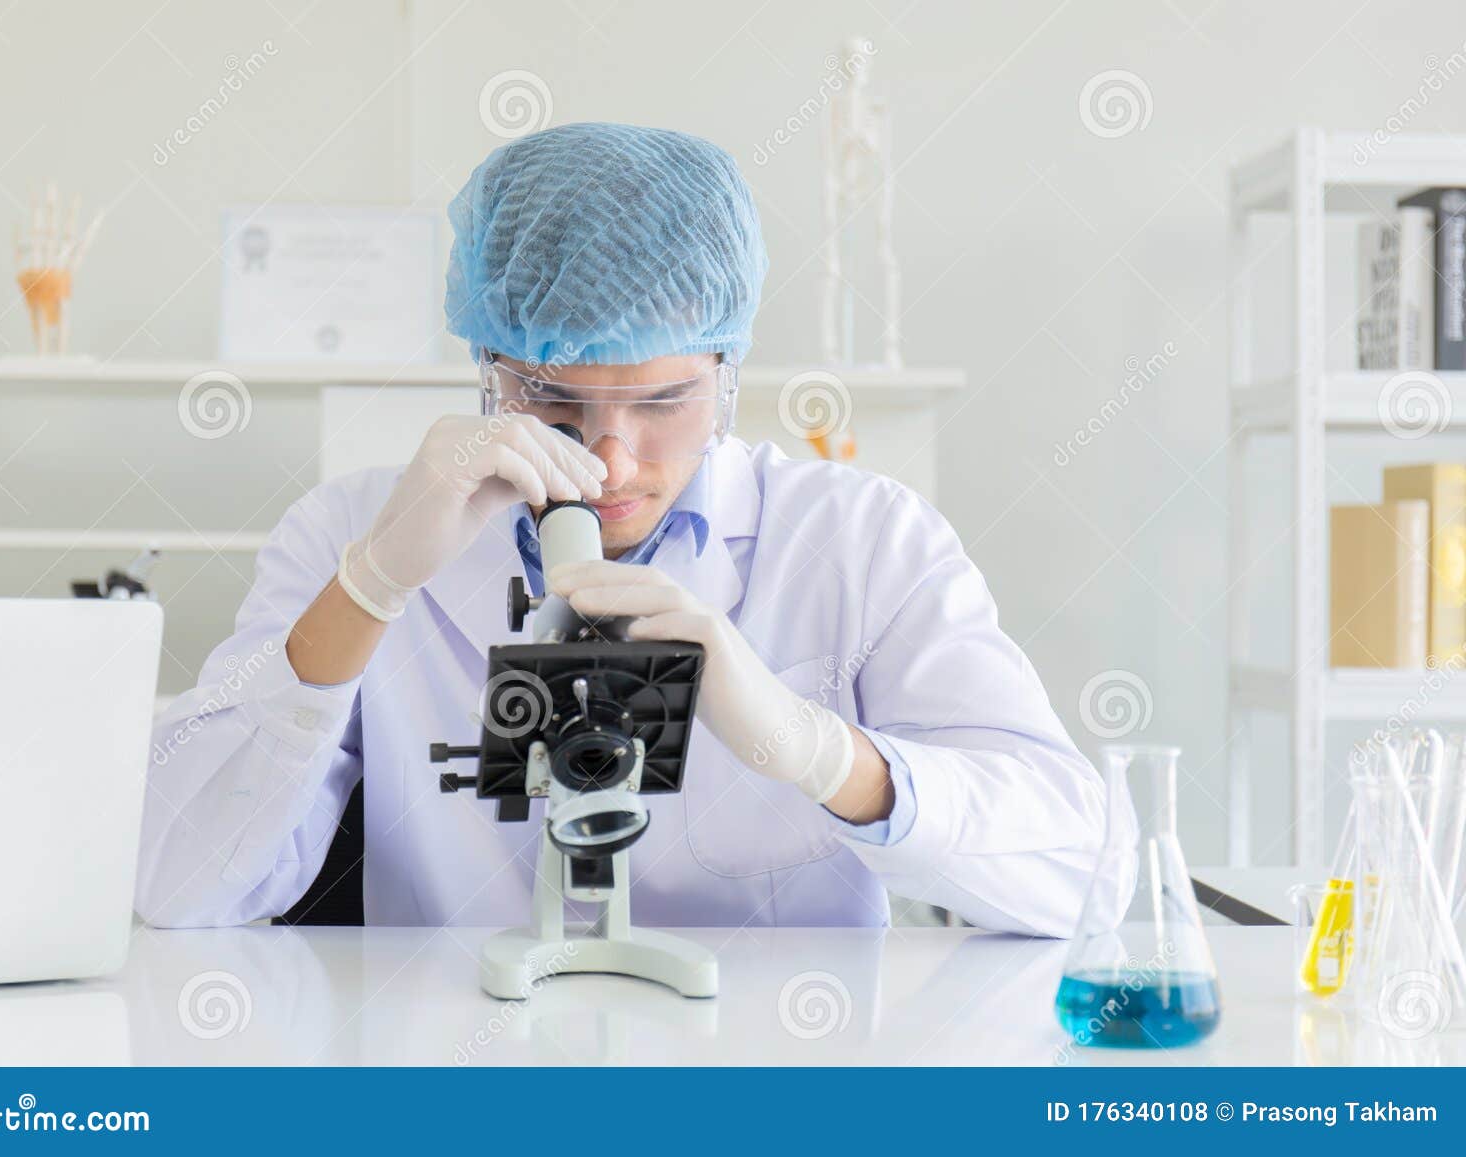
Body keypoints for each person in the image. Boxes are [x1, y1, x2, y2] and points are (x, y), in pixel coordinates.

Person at [136, 122, 1103, 936]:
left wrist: (812, 749)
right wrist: (370, 589)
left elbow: (1079, 873)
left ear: (728, 374)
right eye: (551, 397)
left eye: (663, 400)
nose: (609, 457)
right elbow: (175, 882)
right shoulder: (353, 531)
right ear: (487, 367)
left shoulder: (861, 540)